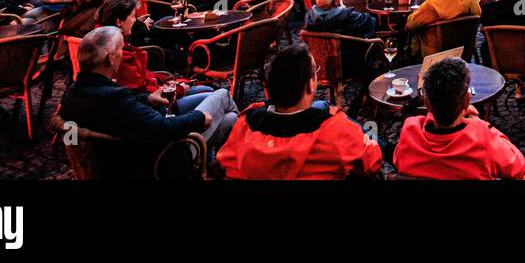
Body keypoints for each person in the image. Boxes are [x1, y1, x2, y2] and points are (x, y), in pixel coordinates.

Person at [58, 26, 238, 155]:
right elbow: (161, 128)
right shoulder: (114, 97)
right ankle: (241, 154)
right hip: (158, 159)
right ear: (111, 58)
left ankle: (223, 162)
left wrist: (147, 99)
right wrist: (198, 118)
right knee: (222, 95)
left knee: (229, 119)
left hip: (122, 154)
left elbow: (123, 113)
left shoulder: (73, 93)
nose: (123, 53)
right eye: (121, 49)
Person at [217, 44, 383, 180]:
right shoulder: (335, 129)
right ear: (311, 84)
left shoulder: (245, 124)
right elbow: (371, 162)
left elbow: (225, 164)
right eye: (315, 72)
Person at [392, 57, 525, 180]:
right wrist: (479, 122)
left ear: (426, 103)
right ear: (467, 100)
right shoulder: (482, 136)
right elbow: (518, 168)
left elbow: (397, 160)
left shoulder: (410, 132)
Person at [303, 0, 377, 37]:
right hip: (350, 51)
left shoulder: (309, 16)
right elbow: (368, 21)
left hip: (320, 53)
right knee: (373, 20)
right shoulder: (346, 15)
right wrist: (343, 8)